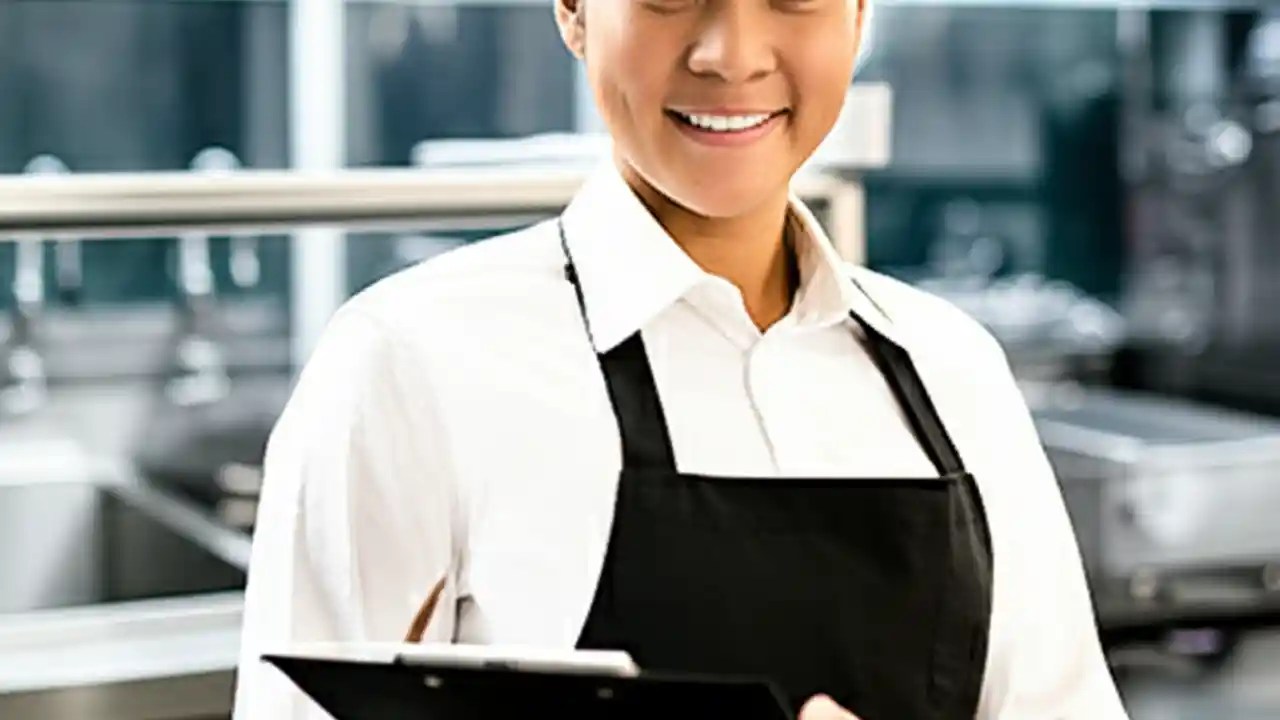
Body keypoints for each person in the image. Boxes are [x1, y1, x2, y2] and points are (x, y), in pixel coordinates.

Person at [233, 1, 1130, 718]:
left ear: (860, 15)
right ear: (573, 10)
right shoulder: (408, 363)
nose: (731, 52)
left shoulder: (953, 370)